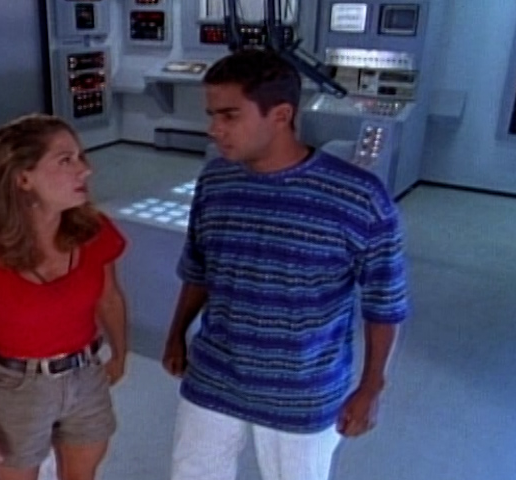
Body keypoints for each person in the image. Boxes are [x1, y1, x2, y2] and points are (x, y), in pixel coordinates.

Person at [162, 49, 408, 480]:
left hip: (302, 390)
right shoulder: (216, 180)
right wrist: (176, 334)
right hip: (215, 372)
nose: (214, 129)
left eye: (229, 116)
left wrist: (372, 387)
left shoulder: (359, 197)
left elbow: (384, 304)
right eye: (211, 116)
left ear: (280, 115)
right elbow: (199, 268)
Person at [0, 113, 128, 480]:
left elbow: (110, 298)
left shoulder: (95, 232)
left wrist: (119, 354)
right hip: (18, 388)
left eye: (81, 157)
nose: (85, 170)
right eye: (66, 160)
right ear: (23, 178)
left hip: (86, 374)